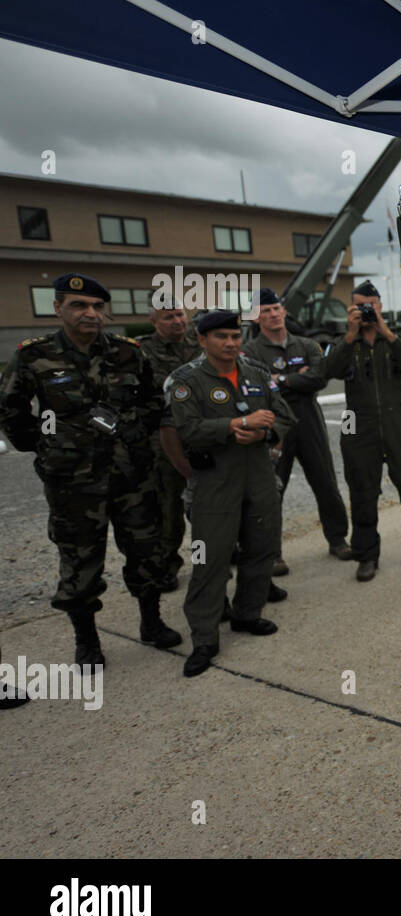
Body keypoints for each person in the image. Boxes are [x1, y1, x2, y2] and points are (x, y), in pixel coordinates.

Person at [0, 272, 182, 666]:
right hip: (74, 483)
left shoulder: (128, 352)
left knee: (147, 553)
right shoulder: (34, 355)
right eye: (79, 305)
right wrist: (51, 446)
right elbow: (11, 412)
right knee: (81, 563)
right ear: (58, 309)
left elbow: (155, 401)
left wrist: (133, 432)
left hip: (133, 476)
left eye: (98, 307)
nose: (91, 314)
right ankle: (87, 642)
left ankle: (151, 624)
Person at [166, 309, 296, 677]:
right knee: (211, 561)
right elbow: (186, 428)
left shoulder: (256, 373)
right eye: (221, 337)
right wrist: (236, 424)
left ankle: (248, 614)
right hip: (215, 483)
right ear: (202, 340)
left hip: (258, 476)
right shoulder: (187, 380)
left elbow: (283, 415)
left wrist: (265, 434)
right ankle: (204, 638)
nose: (230, 343)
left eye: (235, 336)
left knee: (262, 548)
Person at [321, 281, 401, 581]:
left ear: (380, 305)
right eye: (360, 305)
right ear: (350, 307)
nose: (366, 310)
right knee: (362, 494)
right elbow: (327, 371)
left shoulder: (398, 338)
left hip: (399, 424)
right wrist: (350, 336)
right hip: (357, 427)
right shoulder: (343, 342)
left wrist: (386, 331)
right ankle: (367, 555)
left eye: (370, 305)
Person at [244, 287, 352, 565]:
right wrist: (293, 379)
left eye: (276, 309)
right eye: (265, 311)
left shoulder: (306, 345)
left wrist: (280, 380)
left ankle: (338, 539)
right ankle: (273, 554)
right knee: (272, 490)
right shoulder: (250, 352)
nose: (272, 315)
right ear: (256, 318)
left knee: (325, 482)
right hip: (274, 425)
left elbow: (320, 377)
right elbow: (257, 389)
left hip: (308, 420)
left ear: (283, 312)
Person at [137, 300, 200, 591]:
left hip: (201, 433)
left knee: (211, 500)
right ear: (154, 322)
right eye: (168, 317)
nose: (177, 321)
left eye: (180, 314)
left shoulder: (200, 341)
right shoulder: (140, 351)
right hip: (163, 441)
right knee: (168, 507)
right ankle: (167, 564)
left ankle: (221, 551)